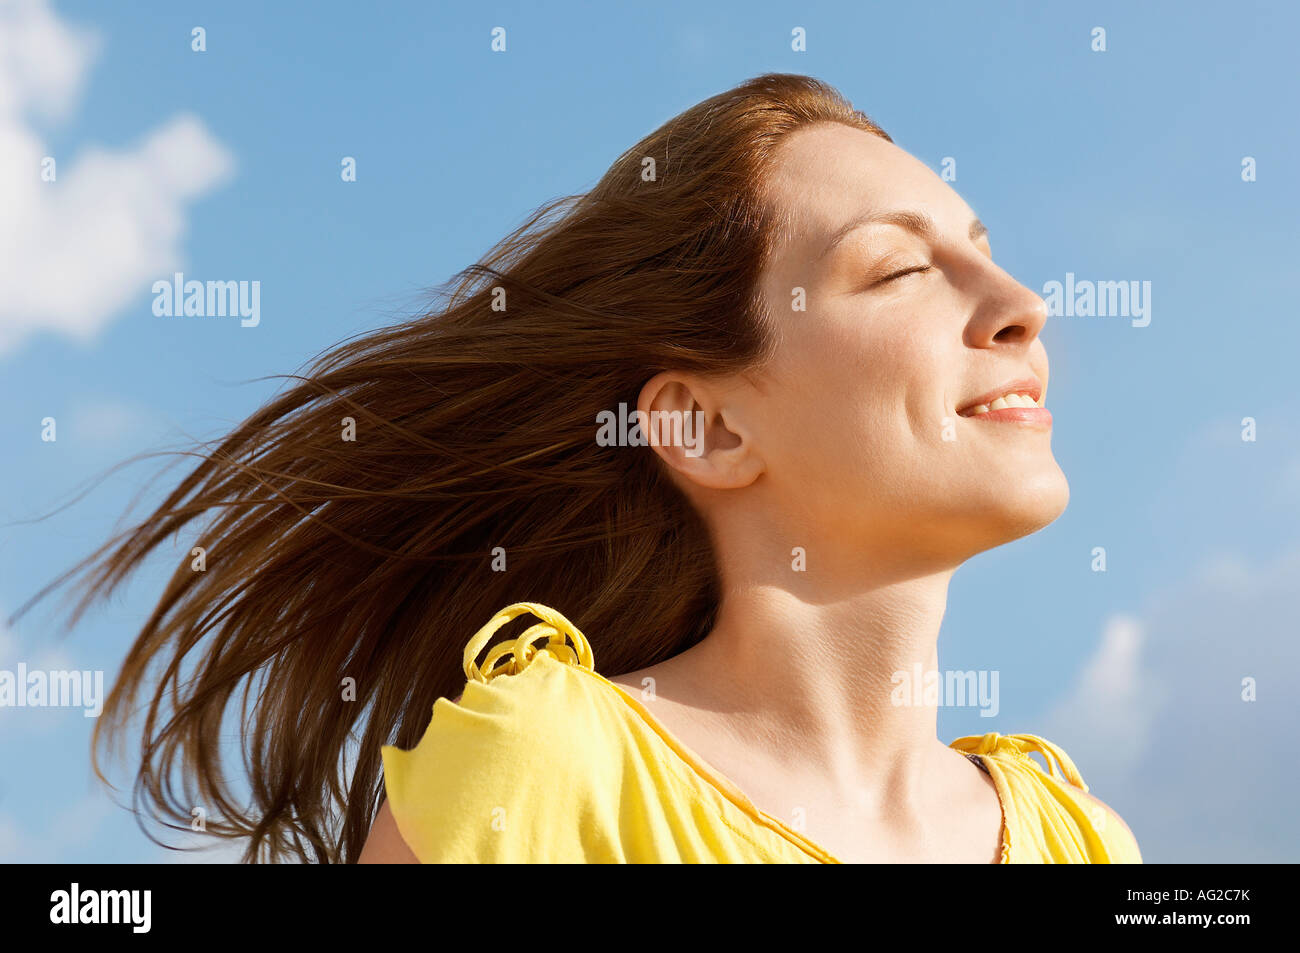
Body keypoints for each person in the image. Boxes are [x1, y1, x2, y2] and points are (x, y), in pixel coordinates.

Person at [62, 73, 1140, 863]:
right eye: (901, 268)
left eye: (983, 249)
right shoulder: (550, 769)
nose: (1020, 305)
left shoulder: (1078, 839)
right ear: (707, 428)